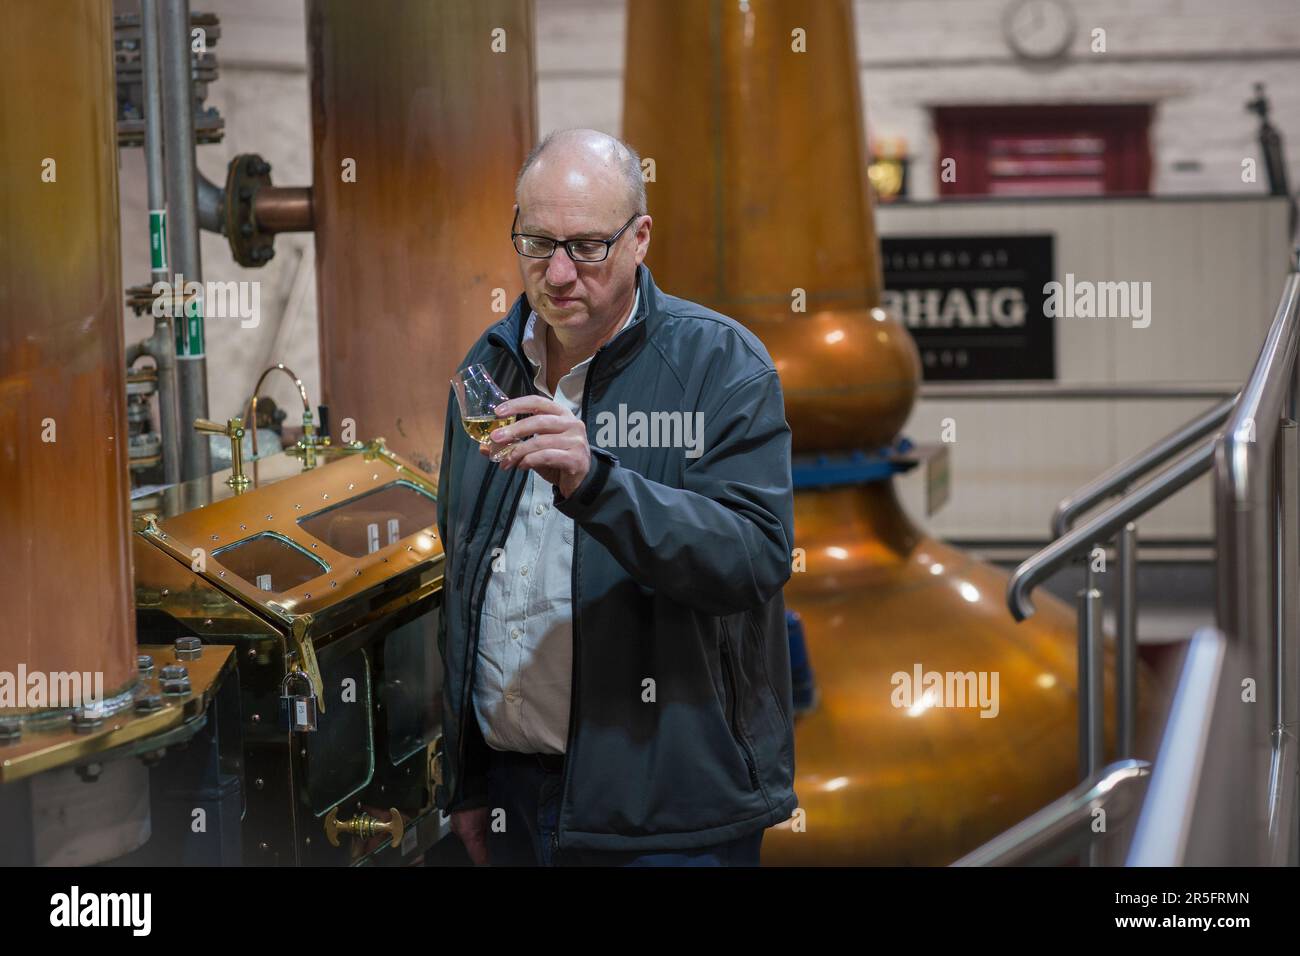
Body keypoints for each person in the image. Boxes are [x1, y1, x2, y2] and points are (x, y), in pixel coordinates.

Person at [434, 128, 796, 866]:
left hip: (664, 810)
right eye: (536, 242)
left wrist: (596, 482)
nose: (558, 272)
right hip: (513, 791)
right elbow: (465, 575)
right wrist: (467, 781)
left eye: (587, 246)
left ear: (640, 238)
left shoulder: (720, 366)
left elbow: (755, 557)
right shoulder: (490, 366)